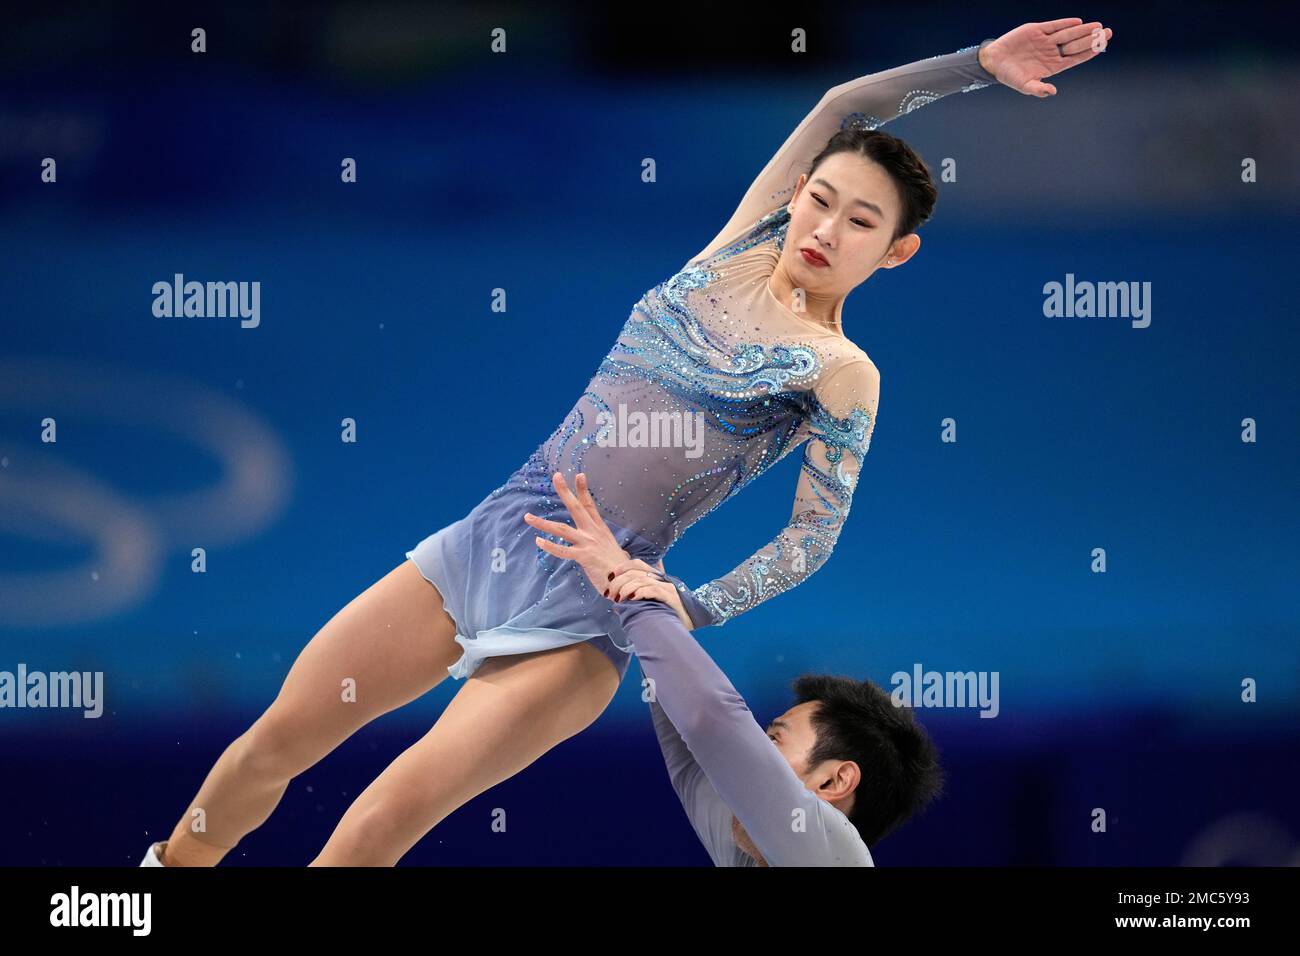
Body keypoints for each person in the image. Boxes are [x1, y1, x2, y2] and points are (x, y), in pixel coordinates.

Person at [141, 18, 1112, 867]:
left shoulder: (838, 371)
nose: (823, 227)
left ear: (893, 250)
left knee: (380, 815)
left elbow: (811, 538)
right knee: (276, 739)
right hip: (488, 538)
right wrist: (978, 63)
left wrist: (688, 603)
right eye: (820, 199)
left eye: (860, 221)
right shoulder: (736, 246)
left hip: (582, 617)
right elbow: (843, 98)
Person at [535, 471, 942, 866]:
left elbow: (712, 718)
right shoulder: (748, 844)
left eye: (774, 739)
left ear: (834, 782)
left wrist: (626, 585)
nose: (750, 751)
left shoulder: (837, 856)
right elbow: (691, 735)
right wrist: (641, 573)